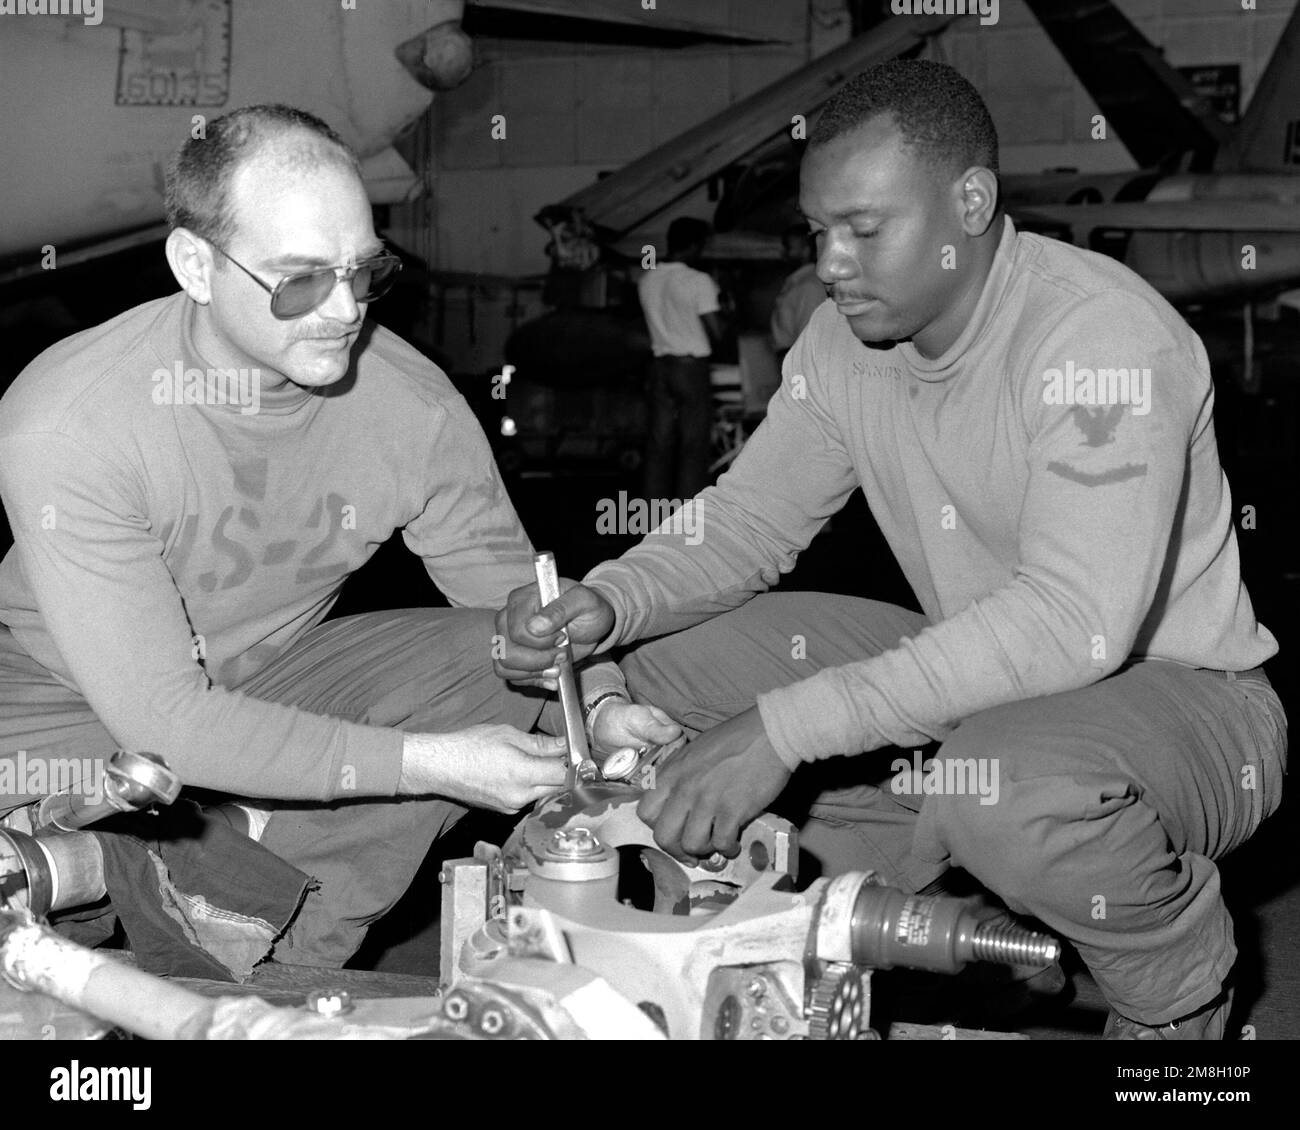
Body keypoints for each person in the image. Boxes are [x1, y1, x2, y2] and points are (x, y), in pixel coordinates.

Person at [493, 60, 1287, 1040]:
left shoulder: (1099, 337)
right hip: (987, 675)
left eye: (864, 231)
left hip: (1180, 696)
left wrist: (780, 729)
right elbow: (747, 521)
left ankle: (1177, 1001)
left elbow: (1072, 626)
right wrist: (609, 601)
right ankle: (957, 919)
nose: (829, 262)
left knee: (1013, 786)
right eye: (817, 231)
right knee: (646, 672)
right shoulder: (839, 344)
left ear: (969, 202)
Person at [0, 104, 678, 968]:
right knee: (42, 878)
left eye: (365, 271)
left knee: (496, 660)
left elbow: (514, 599)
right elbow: (163, 720)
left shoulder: (409, 404)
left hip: (266, 687)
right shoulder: (70, 422)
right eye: (301, 280)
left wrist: (604, 705)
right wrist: (431, 764)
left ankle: (274, 965)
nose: (345, 310)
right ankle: (140, 873)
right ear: (194, 264)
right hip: (60, 702)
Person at [637, 216, 725, 500]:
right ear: (693, 246)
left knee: (658, 445)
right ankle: (688, 518)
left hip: (659, 366)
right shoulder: (699, 281)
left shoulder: (647, 279)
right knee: (693, 446)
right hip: (690, 369)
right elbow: (717, 332)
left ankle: (652, 518)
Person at [769, 222, 827, 360]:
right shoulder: (799, 282)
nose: (784, 254)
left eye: (789, 248)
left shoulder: (810, 285)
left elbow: (808, 337)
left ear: (806, 251)